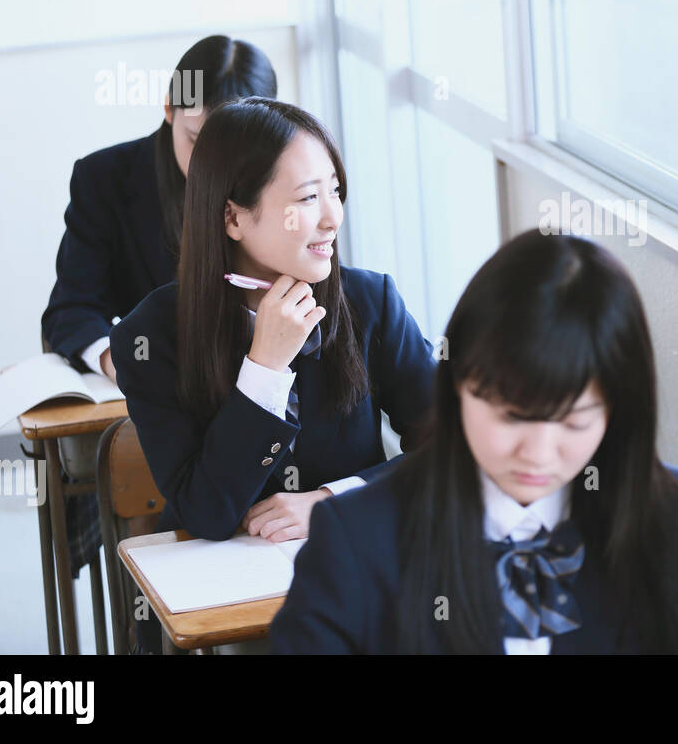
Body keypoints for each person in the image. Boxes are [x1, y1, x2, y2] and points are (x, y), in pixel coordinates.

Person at [271, 229, 678, 654]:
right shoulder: (357, 540)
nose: (539, 454)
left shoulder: (675, 520)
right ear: (457, 386)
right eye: (512, 418)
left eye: (575, 422)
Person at [110, 97, 438, 546]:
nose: (332, 217)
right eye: (307, 197)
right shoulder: (150, 336)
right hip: (220, 593)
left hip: (350, 568)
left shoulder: (370, 300)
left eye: (335, 191)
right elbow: (206, 513)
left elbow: (452, 445)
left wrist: (333, 501)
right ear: (233, 217)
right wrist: (264, 369)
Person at [39, 35, 277, 581]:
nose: (213, 167)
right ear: (169, 110)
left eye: (234, 151)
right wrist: (115, 358)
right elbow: (70, 307)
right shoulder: (105, 179)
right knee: (156, 532)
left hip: (256, 392)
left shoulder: (275, 185)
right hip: (147, 408)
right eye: (197, 139)